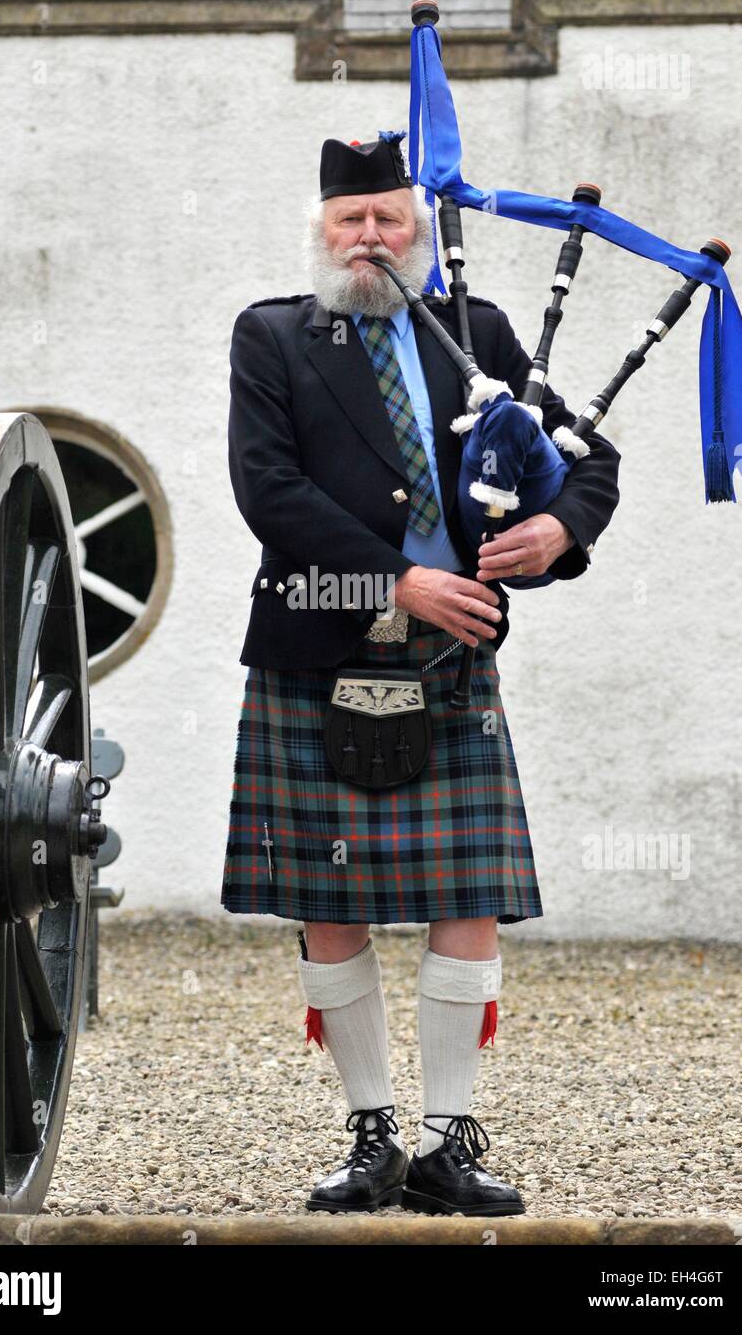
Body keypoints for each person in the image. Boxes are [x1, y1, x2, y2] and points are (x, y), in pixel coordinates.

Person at [221, 132, 621, 1216]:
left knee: (468, 902)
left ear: (416, 234)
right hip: (318, 649)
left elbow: (590, 461)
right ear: (320, 230)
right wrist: (397, 579)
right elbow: (269, 490)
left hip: (450, 663)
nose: (368, 239)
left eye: (387, 219)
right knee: (327, 903)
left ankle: (446, 1142)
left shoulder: (476, 331)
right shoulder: (271, 338)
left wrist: (552, 532)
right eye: (348, 220)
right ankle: (369, 1135)